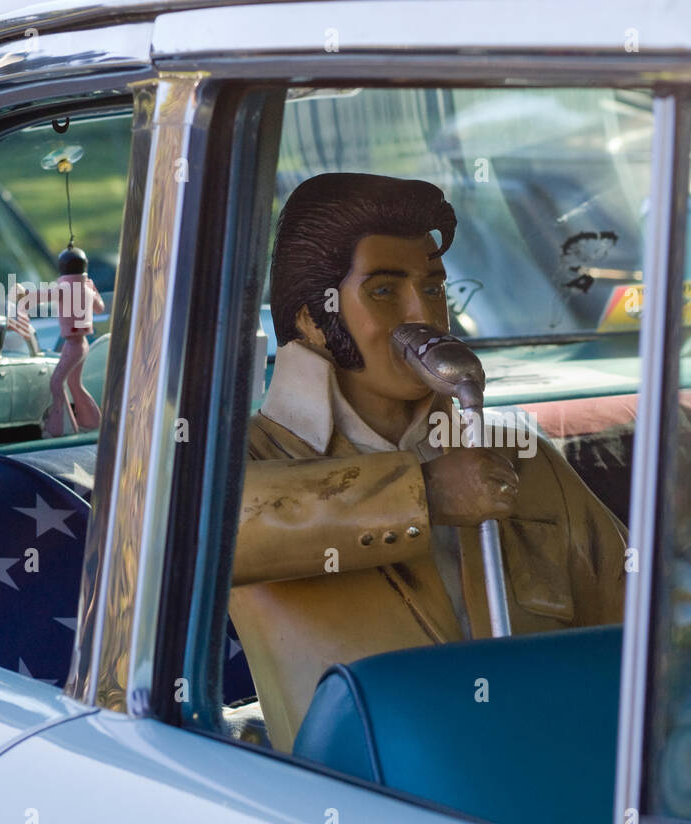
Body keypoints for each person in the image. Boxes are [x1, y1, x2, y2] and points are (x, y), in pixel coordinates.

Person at [230, 172, 629, 750]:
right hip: (359, 817)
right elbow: (208, 532)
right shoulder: (242, 460)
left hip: (551, 787)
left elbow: (637, 621)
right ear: (312, 319)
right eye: (385, 291)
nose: (424, 316)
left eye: (435, 289)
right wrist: (424, 494)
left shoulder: (520, 459)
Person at [22, 245, 104, 436]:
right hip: (82, 343)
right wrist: (93, 288)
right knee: (74, 383)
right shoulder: (87, 287)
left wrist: (23, 296)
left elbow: (38, 298)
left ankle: (62, 428)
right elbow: (99, 308)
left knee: (56, 383)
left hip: (72, 345)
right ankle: (90, 421)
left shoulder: (64, 289)